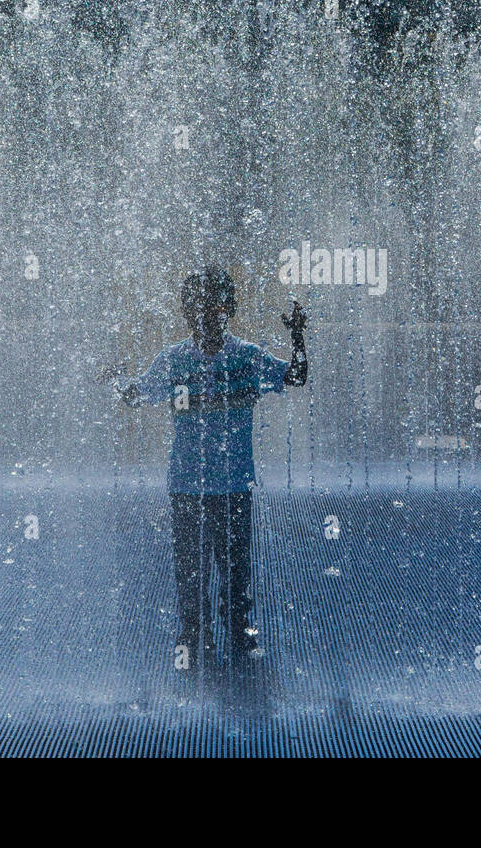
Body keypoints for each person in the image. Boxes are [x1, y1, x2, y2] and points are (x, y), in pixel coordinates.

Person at [98, 265, 307, 667]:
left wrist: (297, 337)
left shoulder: (246, 357)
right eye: (197, 306)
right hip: (188, 487)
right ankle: (195, 636)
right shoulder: (175, 360)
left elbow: (295, 376)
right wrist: (116, 381)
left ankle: (239, 637)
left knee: (235, 573)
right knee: (191, 573)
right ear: (185, 311)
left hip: (231, 487)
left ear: (228, 307)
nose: (206, 314)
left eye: (213, 304)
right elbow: (136, 395)